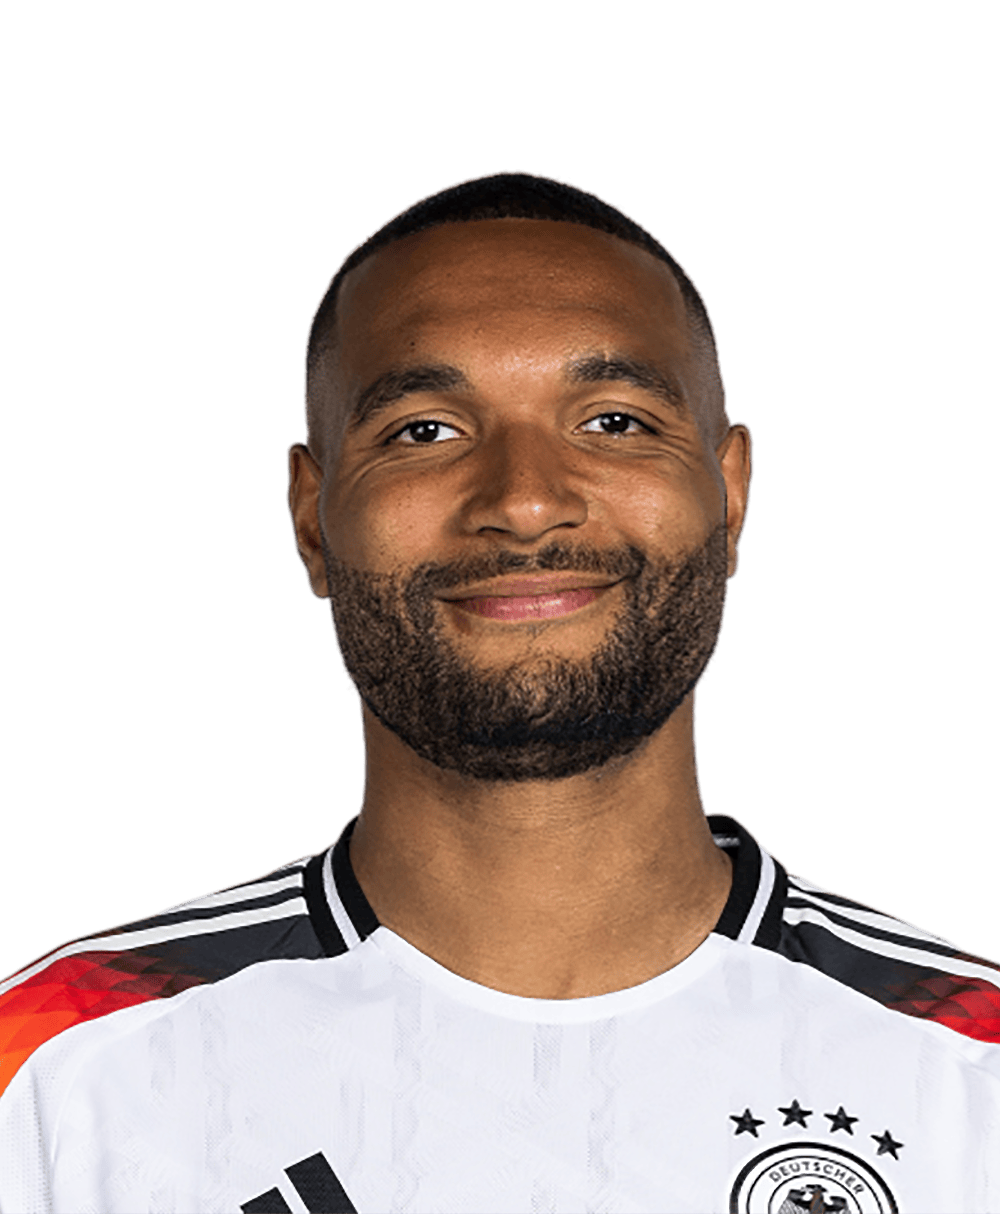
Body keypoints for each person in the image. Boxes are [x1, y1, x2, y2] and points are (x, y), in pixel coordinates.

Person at [0, 172, 997, 1214]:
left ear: (731, 493)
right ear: (311, 519)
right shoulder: (54, 1076)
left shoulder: (970, 1076)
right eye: (424, 431)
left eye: (613, 420)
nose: (524, 501)